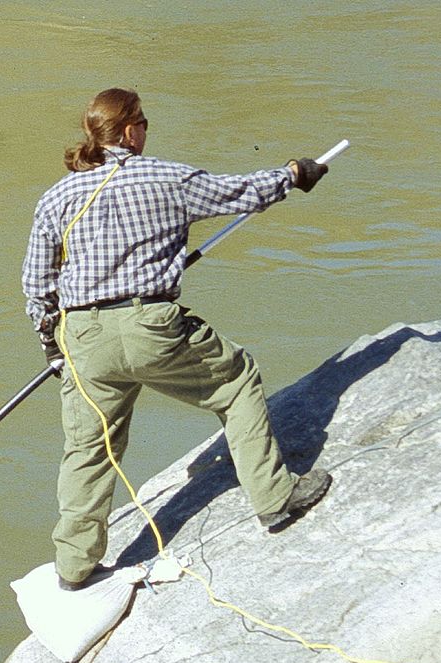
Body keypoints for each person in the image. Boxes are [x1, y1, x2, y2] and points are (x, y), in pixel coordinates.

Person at [21, 87, 332, 592]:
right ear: (128, 131)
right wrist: (295, 175)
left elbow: (37, 286)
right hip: (152, 326)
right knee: (236, 383)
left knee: (88, 446)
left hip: (82, 338)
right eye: (143, 122)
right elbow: (243, 193)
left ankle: (75, 566)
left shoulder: (57, 196)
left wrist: (54, 348)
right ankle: (275, 499)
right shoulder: (168, 178)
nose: (146, 131)